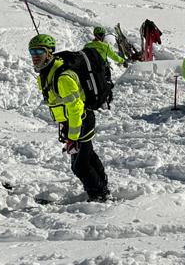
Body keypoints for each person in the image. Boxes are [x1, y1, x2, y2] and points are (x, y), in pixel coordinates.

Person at [29, 33, 110, 202]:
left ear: (50, 52)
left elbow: (76, 108)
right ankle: (102, 189)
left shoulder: (63, 77)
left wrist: (73, 136)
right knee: (87, 156)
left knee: (79, 166)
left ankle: (99, 195)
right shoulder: (47, 72)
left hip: (81, 122)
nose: (35, 56)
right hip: (72, 124)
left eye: (39, 51)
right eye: (32, 52)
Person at [83, 25, 125, 109]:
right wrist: (123, 61)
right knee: (106, 83)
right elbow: (114, 57)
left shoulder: (87, 46)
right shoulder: (105, 46)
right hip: (102, 69)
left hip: (89, 69)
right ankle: (105, 101)